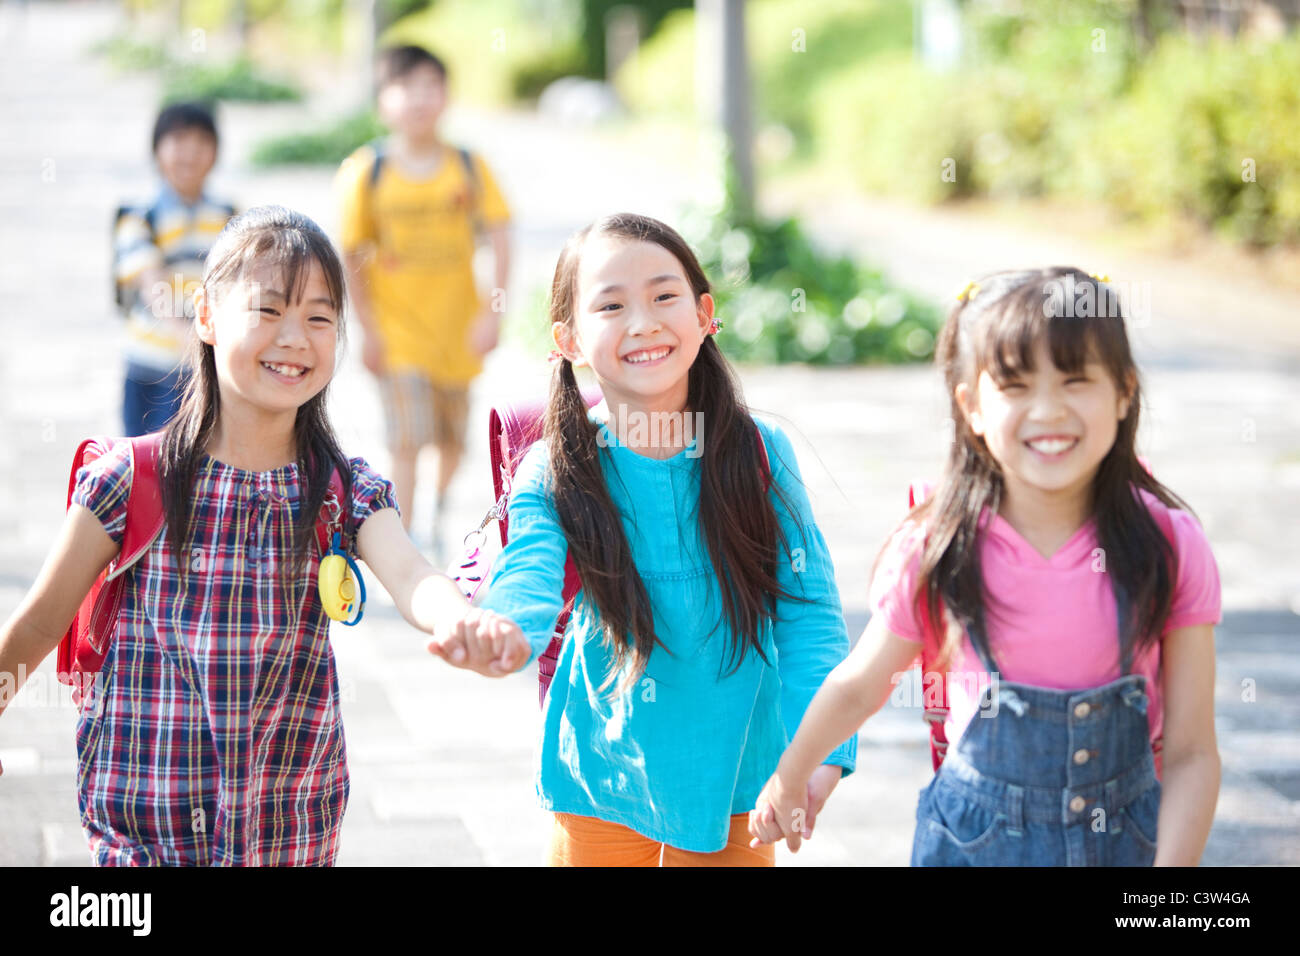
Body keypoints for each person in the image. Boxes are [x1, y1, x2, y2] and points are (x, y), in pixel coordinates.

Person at [0, 206, 486, 865]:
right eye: (267, 310)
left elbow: (410, 574)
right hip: (147, 820)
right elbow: (37, 624)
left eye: (319, 317)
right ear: (204, 315)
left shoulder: (341, 489)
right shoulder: (131, 478)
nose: (296, 337)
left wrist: (460, 619)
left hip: (289, 824)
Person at [749, 268, 1222, 866]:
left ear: (1124, 392)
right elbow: (858, 687)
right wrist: (790, 779)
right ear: (971, 405)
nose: (1049, 410)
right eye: (1016, 386)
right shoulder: (938, 545)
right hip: (974, 848)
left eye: (1076, 381)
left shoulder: (1169, 544)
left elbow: (1191, 753)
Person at [429, 213, 857, 866]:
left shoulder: (757, 454)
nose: (643, 322)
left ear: (705, 313)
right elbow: (529, 576)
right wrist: (504, 629)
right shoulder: (556, 464)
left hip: (740, 782)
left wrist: (818, 758)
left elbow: (809, 615)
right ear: (568, 338)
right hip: (601, 777)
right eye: (611, 305)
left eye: (664, 296)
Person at [335, 44, 511, 556]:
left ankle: (436, 508)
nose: (418, 98)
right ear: (383, 99)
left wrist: (492, 313)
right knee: (406, 440)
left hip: (459, 331)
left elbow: (501, 237)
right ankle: (404, 543)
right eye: (404, 87)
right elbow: (351, 256)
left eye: (430, 86)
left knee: (452, 441)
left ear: (445, 96)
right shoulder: (365, 173)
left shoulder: (468, 167)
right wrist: (367, 329)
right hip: (398, 334)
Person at [114, 101, 237, 436]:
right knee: (147, 468)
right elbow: (154, 288)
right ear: (157, 150)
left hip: (207, 373)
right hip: (151, 367)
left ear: (215, 152)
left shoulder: (231, 218)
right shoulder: (140, 218)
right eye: (179, 141)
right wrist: (191, 341)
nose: (190, 153)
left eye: (201, 142)